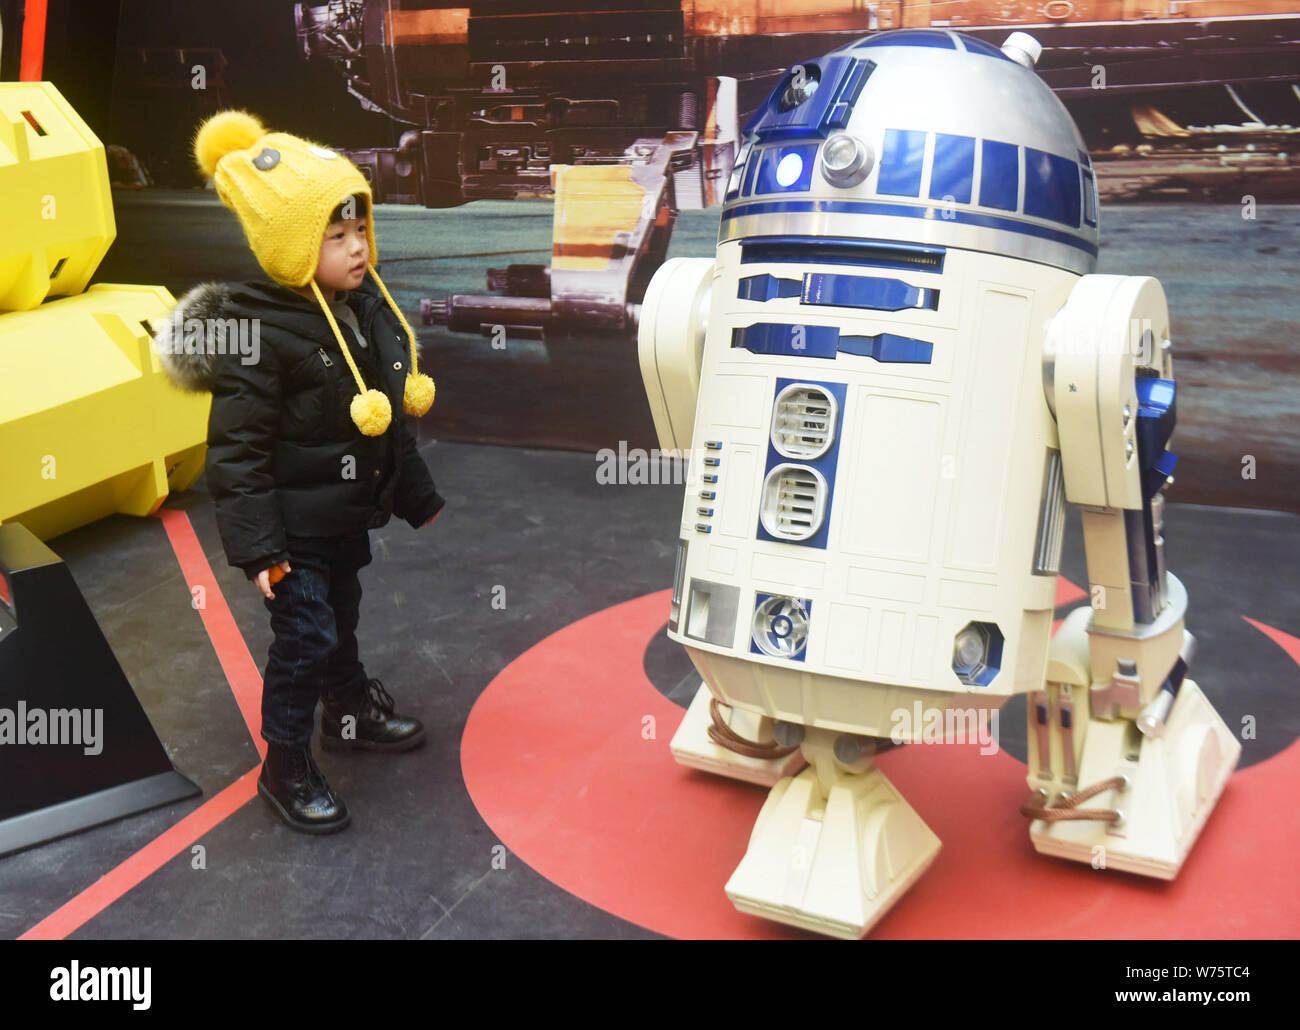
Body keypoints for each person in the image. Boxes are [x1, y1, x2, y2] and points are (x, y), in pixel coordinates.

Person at [153, 110, 446, 834]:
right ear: (289, 248)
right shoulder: (262, 337)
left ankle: (345, 710)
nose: (357, 248)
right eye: (336, 236)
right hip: (290, 531)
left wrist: (414, 493)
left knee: (339, 617)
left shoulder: (363, 306)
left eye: (361, 229)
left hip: (341, 515)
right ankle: (283, 764)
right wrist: (259, 549)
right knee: (305, 635)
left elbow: (384, 414)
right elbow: (238, 452)